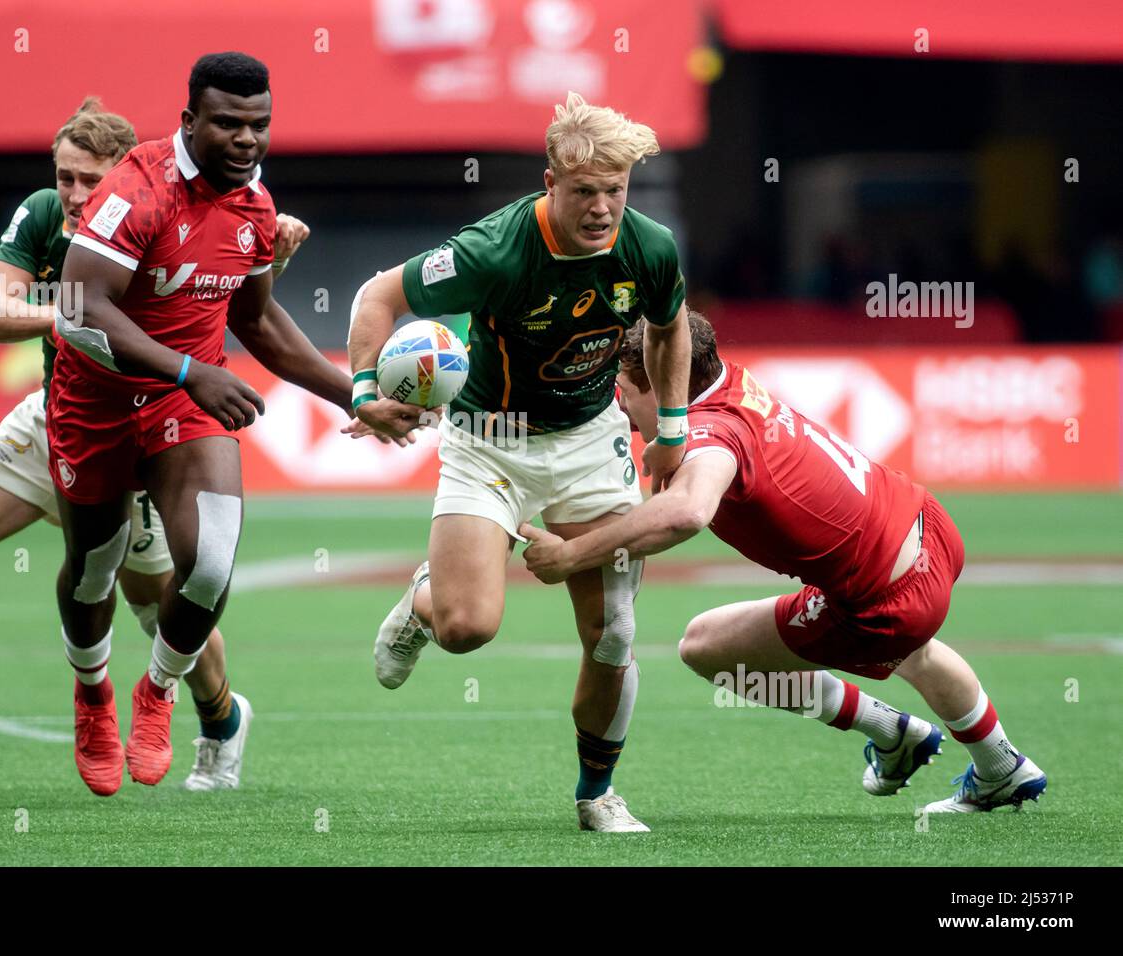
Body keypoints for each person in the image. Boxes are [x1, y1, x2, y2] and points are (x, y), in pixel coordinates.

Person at [0, 98, 308, 795]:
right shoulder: (44, 216)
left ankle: (220, 722)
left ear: (125, 177)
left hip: (143, 437)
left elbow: (225, 305)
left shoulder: (161, 214)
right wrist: (70, 312)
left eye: (89, 181)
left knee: (163, 603)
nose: (73, 195)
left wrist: (269, 264)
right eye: (64, 176)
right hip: (52, 422)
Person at [520, 313, 1047, 814]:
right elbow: (674, 339)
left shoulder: (712, 435)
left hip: (883, 600)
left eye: (626, 391)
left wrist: (570, 555)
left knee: (706, 648)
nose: (619, 402)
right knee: (917, 653)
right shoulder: (732, 382)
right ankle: (1000, 766)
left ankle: (887, 729)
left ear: (662, 387)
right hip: (925, 527)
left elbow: (686, 513)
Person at [348, 92, 691, 832]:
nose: (602, 208)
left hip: (591, 442)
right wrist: (365, 389)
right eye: (585, 192)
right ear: (549, 184)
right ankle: (423, 603)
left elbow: (669, 330)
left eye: (615, 190)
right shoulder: (494, 250)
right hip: (489, 441)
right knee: (467, 628)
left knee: (615, 633)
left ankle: (597, 793)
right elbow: (379, 294)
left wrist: (670, 424)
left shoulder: (651, 247)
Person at [49, 52, 370, 797]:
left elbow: (258, 322)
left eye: (259, 124)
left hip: (182, 405)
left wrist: (353, 394)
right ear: (190, 119)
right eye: (228, 123)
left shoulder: (254, 203)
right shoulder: (136, 188)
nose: (247, 139)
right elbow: (76, 308)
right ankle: (92, 692)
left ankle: (157, 692)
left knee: (213, 560)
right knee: (95, 568)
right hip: (95, 402)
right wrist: (195, 370)